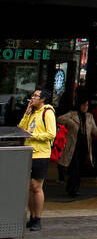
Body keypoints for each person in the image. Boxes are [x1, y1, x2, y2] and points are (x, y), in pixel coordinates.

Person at [18, 88, 57, 231]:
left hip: (40, 154)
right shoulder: (32, 113)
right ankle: (32, 216)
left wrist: (33, 136)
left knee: (36, 187)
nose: (32, 98)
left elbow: (51, 134)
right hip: (29, 153)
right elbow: (21, 129)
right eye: (32, 95)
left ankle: (38, 218)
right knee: (28, 187)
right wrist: (26, 113)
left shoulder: (48, 112)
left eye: (36, 96)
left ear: (43, 99)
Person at [59, 95, 97, 198]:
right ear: (79, 105)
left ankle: (73, 187)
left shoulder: (89, 117)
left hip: (84, 146)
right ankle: (73, 189)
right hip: (73, 145)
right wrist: (70, 122)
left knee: (79, 168)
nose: (85, 107)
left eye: (87, 105)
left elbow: (94, 129)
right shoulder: (72, 114)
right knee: (74, 167)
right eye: (83, 105)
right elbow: (60, 119)